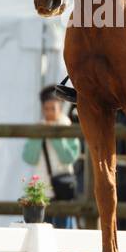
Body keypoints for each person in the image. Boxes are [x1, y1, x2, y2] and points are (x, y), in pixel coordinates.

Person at [21, 85, 82, 229]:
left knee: (63, 231)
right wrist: (40, 135)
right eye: (46, 109)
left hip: (62, 187)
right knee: (42, 229)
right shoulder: (38, 128)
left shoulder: (67, 127)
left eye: (52, 109)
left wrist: (54, 134)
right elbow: (29, 158)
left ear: (60, 108)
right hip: (42, 189)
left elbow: (69, 157)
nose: (49, 113)